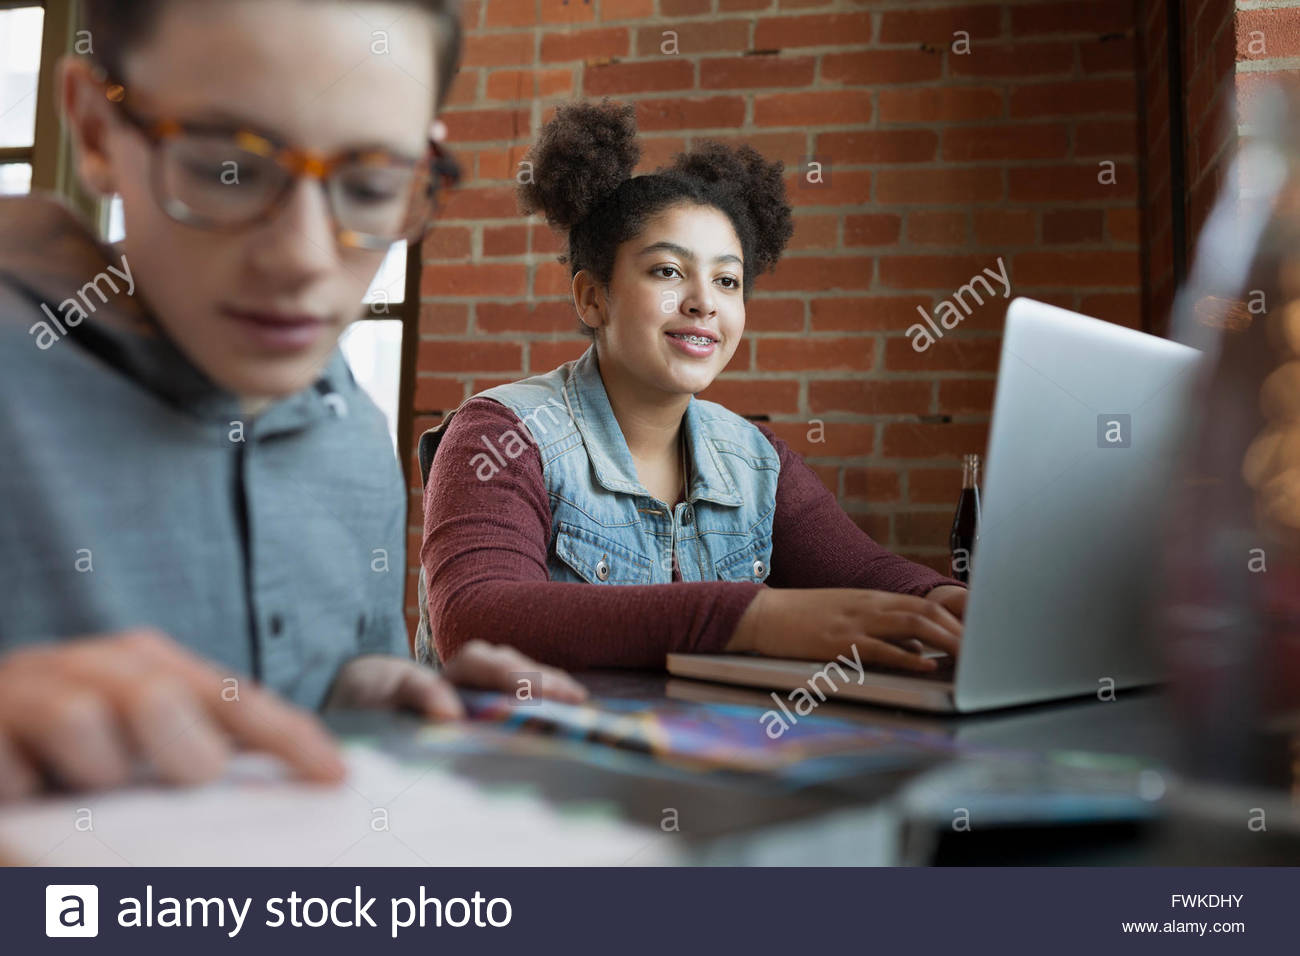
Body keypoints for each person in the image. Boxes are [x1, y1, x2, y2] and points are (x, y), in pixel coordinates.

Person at [0, 0, 584, 803]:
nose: (303, 258)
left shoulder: (353, 433)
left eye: (373, 185)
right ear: (97, 131)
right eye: (225, 170)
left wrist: (353, 704)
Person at [417, 100, 967, 672]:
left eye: (727, 280)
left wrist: (944, 602)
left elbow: (867, 574)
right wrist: (749, 620)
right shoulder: (500, 435)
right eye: (668, 271)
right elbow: (475, 620)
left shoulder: (754, 461)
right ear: (592, 297)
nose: (705, 302)